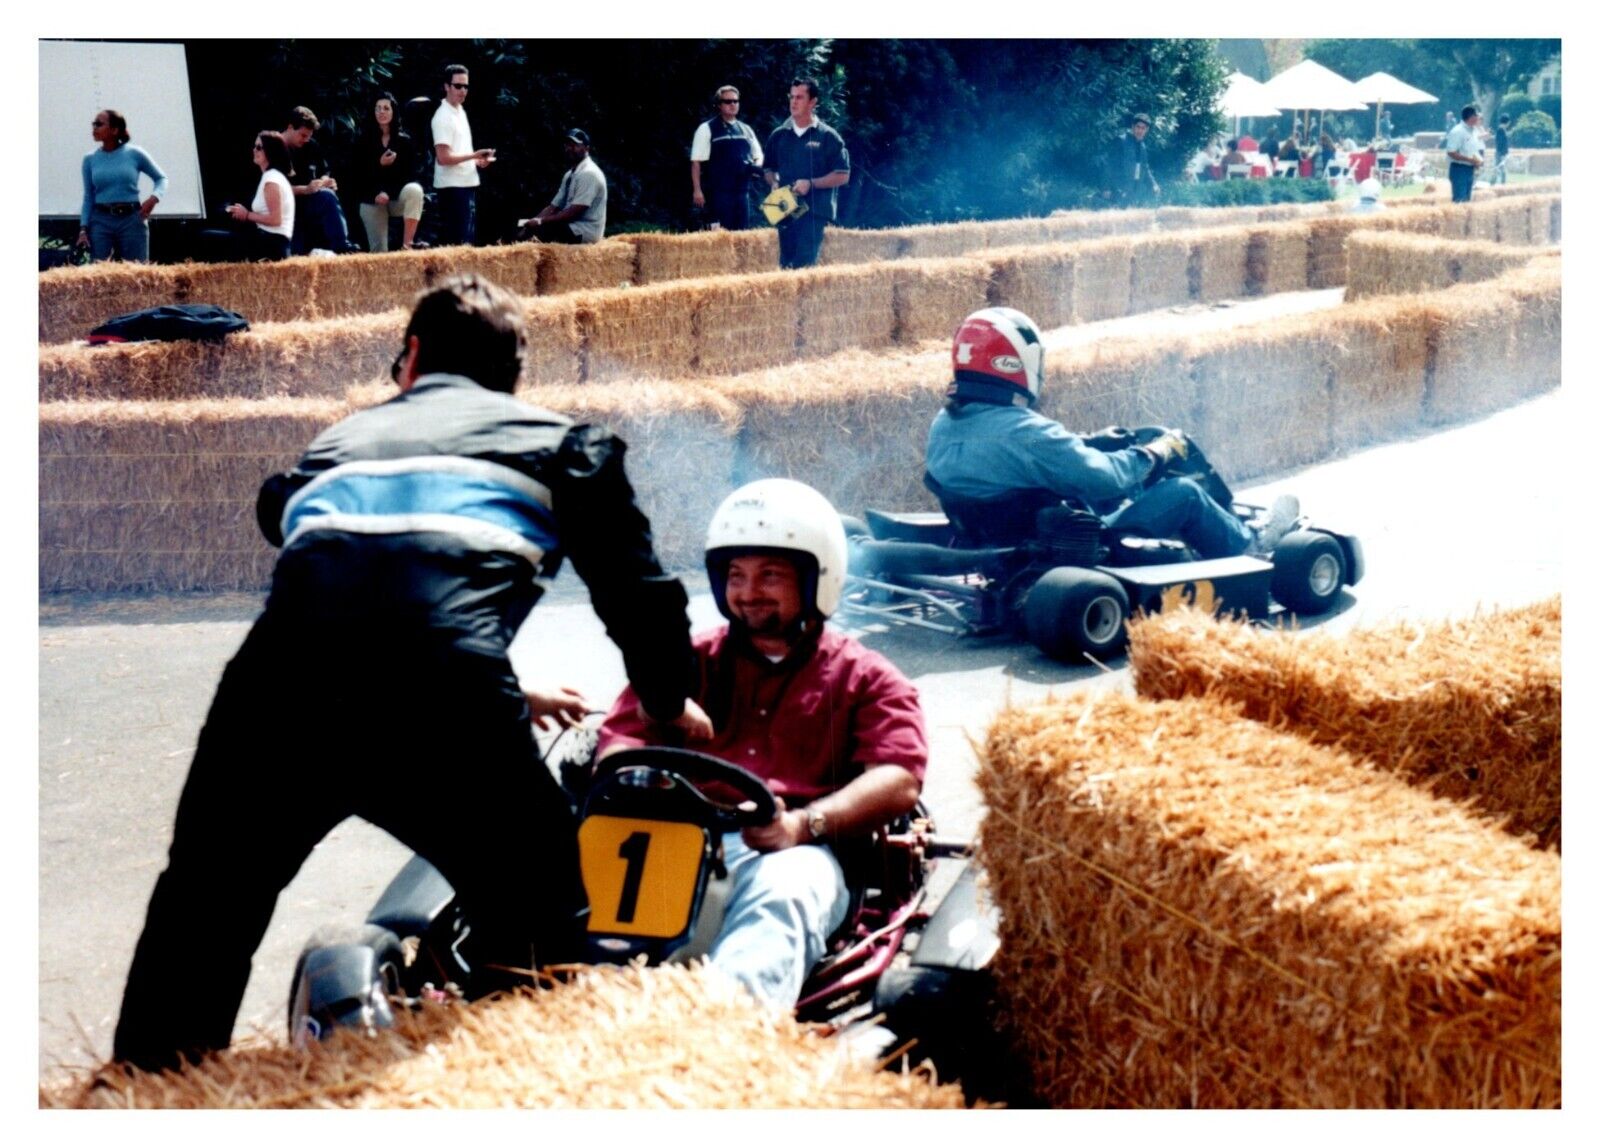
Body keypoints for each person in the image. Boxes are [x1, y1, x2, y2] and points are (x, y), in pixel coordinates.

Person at [111, 272, 705, 1074]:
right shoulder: (563, 445)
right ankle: (525, 1091)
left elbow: (307, 535)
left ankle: (146, 1092)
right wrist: (669, 703)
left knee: (202, 911)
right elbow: (640, 597)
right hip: (446, 698)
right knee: (541, 923)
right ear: (514, 376)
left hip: (274, 692)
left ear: (412, 356)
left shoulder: (334, 445)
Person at [596, 478, 926, 1008]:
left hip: (792, 847)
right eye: (736, 575)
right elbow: (617, 743)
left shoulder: (867, 677)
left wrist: (802, 824)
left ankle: (727, 1036)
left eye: (770, 575)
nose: (748, 593)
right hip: (672, 840)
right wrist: (636, 778)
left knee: (785, 892)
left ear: (818, 578)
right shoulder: (682, 662)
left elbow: (899, 779)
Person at [924, 307, 1301, 560]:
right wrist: (1156, 452)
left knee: (1124, 466)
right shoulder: (1026, 432)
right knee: (1182, 492)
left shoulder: (944, 424)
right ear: (1013, 363)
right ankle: (1250, 544)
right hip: (1076, 545)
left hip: (1001, 538)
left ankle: (1226, 527)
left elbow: (1021, 460)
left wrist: (1087, 443)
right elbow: (1108, 479)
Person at [763, 77, 851, 270]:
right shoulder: (778, 135)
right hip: (784, 207)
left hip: (814, 211)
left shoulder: (828, 136)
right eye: (792, 97)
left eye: (800, 97)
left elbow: (843, 175)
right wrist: (773, 181)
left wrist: (811, 183)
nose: (793, 102)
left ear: (813, 102)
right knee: (785, 266)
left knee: (803, 267)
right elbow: (768, 168)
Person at [77, 108, 167, 263]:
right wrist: (83, 229)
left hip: (132, 220)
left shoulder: (135, 153)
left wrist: (153, 199)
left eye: (99, 124)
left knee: (136, 274)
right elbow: (88, 196)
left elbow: (161, 178)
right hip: (100, 221)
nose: (94, 128)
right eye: (93, 124)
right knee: (99, 275)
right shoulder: (89, 159)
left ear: (114, 130)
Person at [432, 64, 496, 246]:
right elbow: (443, 158)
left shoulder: (460, 112)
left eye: (466, 86)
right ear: (446, 87)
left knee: (466, 248)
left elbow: (458, 154)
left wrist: (477, 160)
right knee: (458, 249)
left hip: (465, 187)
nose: (463, 91)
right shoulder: (442, 116)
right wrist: (473, 155)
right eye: (458, 86)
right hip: (453, 190)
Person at [354, 92, 426, 252]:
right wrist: (379, 165)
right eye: (378, 108)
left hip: (395, 198)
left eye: (386, 108)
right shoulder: (362, 141)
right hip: (371, 200)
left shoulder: (404, 141)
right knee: (380, 252)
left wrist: (389, 192)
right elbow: (357, 177)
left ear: (393, 111)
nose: (381, 112)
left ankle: (407, 246)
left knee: (415, 190)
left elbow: (410, 175)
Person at [281, 106, 359, 255]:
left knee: (327, 196)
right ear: (290, 127)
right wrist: (305, 189)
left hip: (308, 203)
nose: (306, 140)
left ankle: (342, 246)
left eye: (309, 136)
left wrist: (326, 181)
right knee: (293, 255)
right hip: (281, 207)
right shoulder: (271, 146)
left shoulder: (311, 146)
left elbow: (324, 171)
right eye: (303, 135)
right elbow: (272, 190)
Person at [690, 85, 764, 231]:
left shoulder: (746, 129)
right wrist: (697, 190)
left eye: (736, 101)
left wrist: (756, 167)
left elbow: (759, 155)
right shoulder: (706, 128)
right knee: (719, 238)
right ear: (719, 104)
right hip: (718, 194)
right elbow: (696, 162)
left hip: (742, 193)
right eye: (728, 101)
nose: (733, 105)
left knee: (742, 237)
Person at [517, 129, 608, 244]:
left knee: (541, 233)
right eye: (568, 145)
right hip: (571, 226)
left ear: (586, 148)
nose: (570, 148)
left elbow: (574, 212)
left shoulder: (589, 173)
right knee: (525, 229)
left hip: (585, 231)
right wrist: (532, 222)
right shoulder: (570, 175)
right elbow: (553, 207)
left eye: (575, 145)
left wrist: (541, 221)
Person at [225, 130, 296, 262]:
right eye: (254, 146)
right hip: (270, 242)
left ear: (270, 151)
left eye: (259, 147)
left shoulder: (271, 179)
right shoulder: (272, 176)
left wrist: (246, 215)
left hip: (272, 245)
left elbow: (275, 220)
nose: (254, 150)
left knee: (206, 238)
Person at [1103, 111, 1160, 205]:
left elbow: (1145, 168)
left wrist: (1154, 184)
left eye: (1143, 128)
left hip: (1134, 191)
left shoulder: (1143, 147)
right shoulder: (1121, 141)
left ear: (1147, 130)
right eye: (1138, 127)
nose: (1140, 131)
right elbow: (1110, 165)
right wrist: (1106, 187)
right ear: (1133, 127)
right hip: (1118, 189)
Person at [1444, 105, 1485, 203]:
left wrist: (1477, 161)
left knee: (1466, 201)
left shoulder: (1473, 131)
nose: (1478, 118)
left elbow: (1472, 150)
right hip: (1459, 170)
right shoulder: (1458, 131)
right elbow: (1451, 152)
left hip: (1469, 169)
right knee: (1460, 202)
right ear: (1471, 117)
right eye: (1477, 116)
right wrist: (1470, 160)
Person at [1491, 113, 1512, 186]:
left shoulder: (1501, 130)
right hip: (1501, 153)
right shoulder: (1501, 130)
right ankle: (1499, 184)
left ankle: (1495, 183)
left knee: (1499, 169)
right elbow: (1500, 143)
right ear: (1507, 122)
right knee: (1499, 169)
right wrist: (1503, 154)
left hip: (1501, 153)